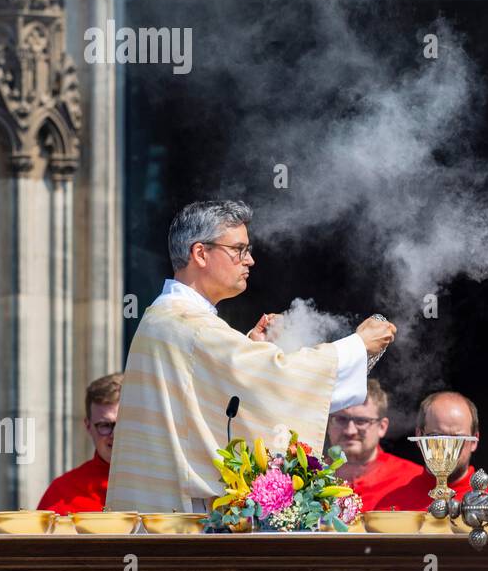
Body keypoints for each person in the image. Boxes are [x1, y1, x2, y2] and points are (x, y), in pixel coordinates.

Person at [106, 200, 396, 513]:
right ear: (200, 253)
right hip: (178, 523)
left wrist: (248, 346)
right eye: (239, 249)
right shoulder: (186, 323)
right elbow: (275, 381)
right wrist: (357, 345)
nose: (251, 260)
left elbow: (209, 404)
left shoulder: (167, 318)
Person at [375, 391, 488, 509]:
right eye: (436, 436)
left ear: (474, 440)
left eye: (457, 438)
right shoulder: (390, 507)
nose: (447, 446)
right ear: (419, 437)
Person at [328, 378, 423, 510]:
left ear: (382, 427)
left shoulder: (414, 479)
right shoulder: (308, 479)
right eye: (340, 419)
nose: (350, 431)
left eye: (361, 421)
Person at [37, 374, 122, 514]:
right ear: (88, 426)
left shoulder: (166, 484)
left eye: (122, 424)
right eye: (105, 425)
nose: (114, 435)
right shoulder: (61, 492)